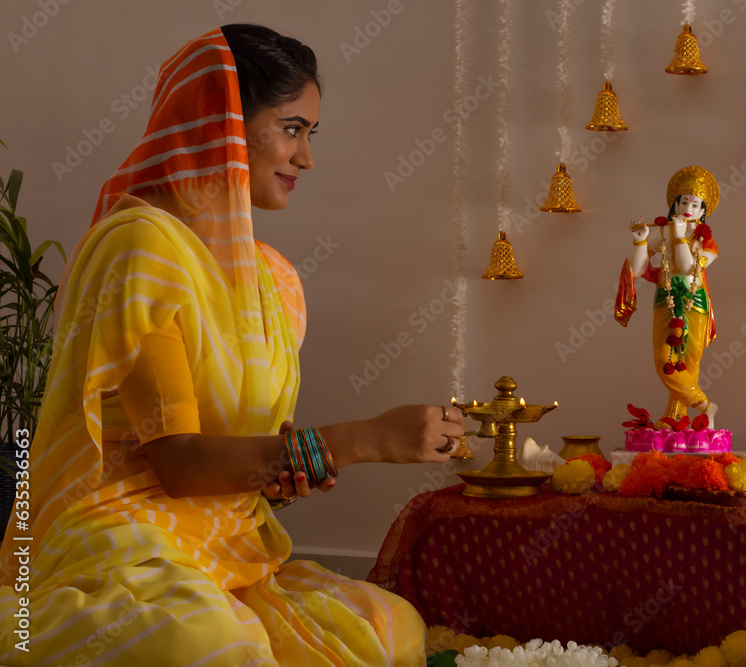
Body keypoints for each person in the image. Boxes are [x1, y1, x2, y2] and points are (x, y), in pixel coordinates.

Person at [0, 24, 463, 665]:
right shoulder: (142, 247)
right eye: (293, 128)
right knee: (206, 645)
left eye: (311, 134)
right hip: (126, 536)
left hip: (227, 542)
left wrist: (291, 474)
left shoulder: (271, 281)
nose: (307, 158)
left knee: (389, 627)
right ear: (223, 125)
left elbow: (244, 460)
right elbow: (181, 464)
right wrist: (367, 440)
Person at [615, 166, 721, 428]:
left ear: (702, 212)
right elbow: (637, 270)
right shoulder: (661, 233)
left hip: (693, 303)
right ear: (674, 205)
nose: (688, 206)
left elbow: (687, 268)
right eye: (683, 201)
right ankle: (707, 406)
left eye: (695, 204)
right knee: (665, 360)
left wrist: (678, 233)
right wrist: (640, 242)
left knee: (688, 361)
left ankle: (676, 417)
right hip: (665, 299)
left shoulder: (705, 242)